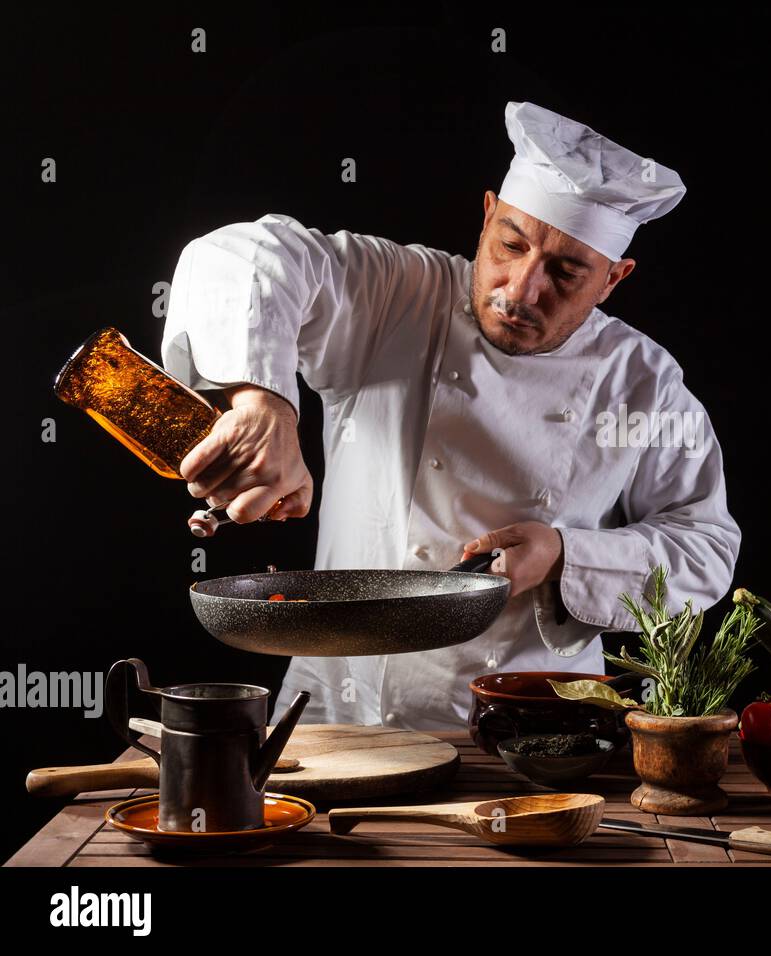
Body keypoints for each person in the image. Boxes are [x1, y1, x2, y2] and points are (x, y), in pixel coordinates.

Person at [161, 101, 741, 729]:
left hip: (530, 722)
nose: (520, 289)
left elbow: (705, 546)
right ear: (488, 213)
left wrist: (563, 555)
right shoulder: (396, 295)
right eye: (510, 245)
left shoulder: (643, 382)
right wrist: (262, 400)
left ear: (613, 279)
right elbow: (242, 254)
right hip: (341, 705)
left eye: (566, 272)